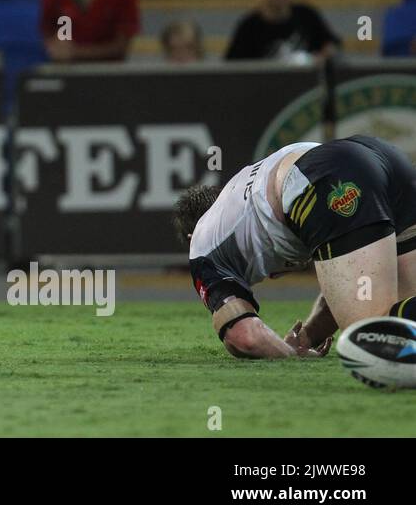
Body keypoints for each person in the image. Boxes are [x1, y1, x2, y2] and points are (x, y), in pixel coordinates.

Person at [174, 135, 416, 360]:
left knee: (370, 336)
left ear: (190, 236)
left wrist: (289, 355)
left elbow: (244, 336)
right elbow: (349, 276)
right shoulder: (235, 199)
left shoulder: (201, 245)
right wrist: (308, 336)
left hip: (328, 176)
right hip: (377, 158)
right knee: (406, 325)